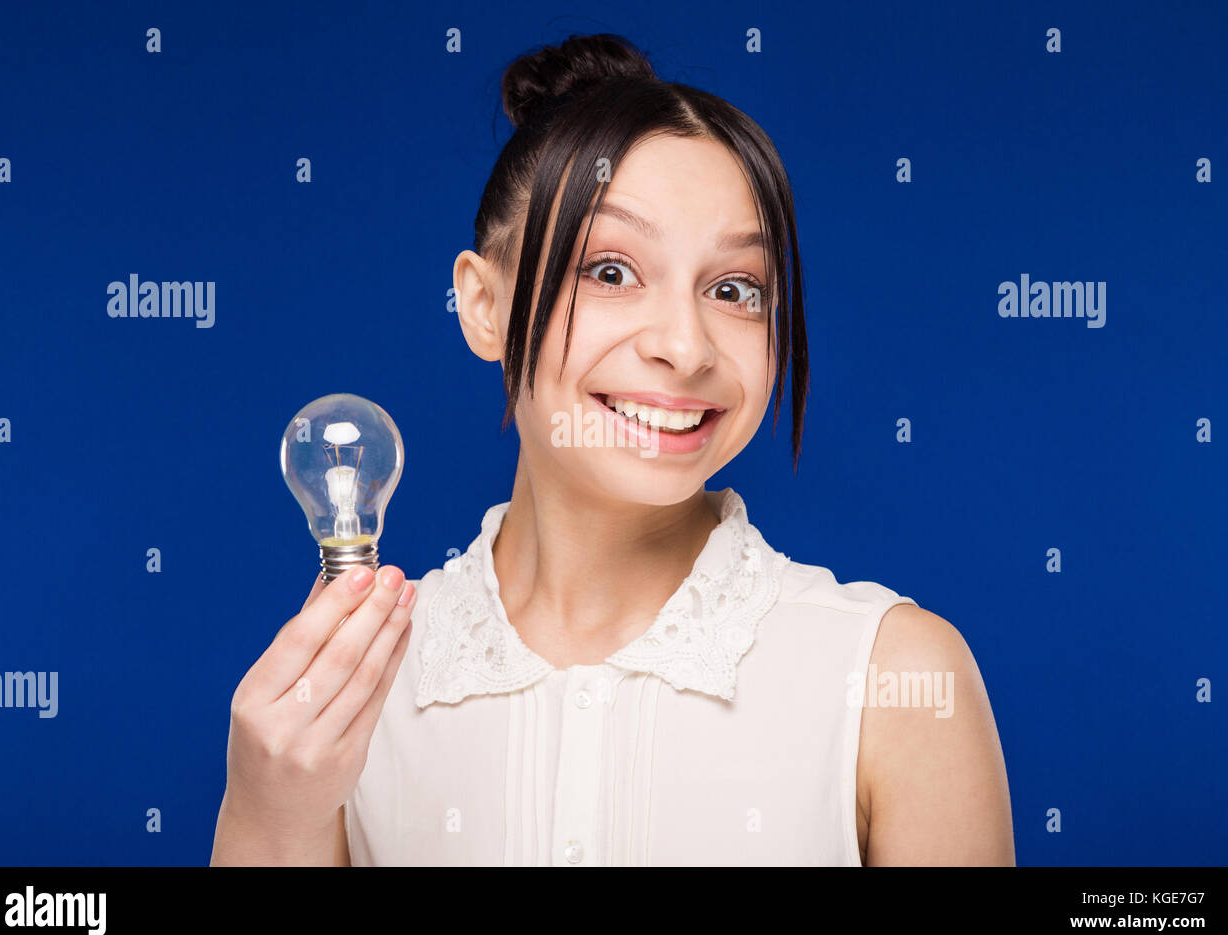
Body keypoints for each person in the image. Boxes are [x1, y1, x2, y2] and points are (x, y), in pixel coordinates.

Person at [210, 33, 1014, 866]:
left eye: (734, 289)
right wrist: (272, 815)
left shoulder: (896, 680)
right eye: (611, 271)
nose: (684, 344)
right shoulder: (351, 699)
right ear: (481, 305)